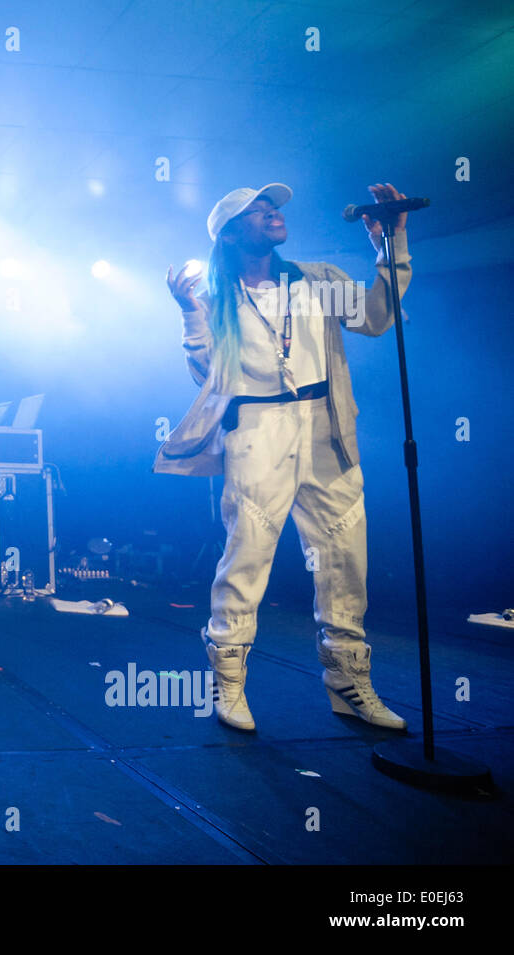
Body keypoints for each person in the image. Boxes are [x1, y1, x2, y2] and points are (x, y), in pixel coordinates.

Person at [157, 181, 411, 732]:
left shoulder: (317, 280)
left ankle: (348, 683)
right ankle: (228, 684)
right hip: (257, 427)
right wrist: (188, 312)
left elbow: (374, 319)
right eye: (257, 210)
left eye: (274, 207)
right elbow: (208, 375)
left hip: (326, 424)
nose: (272, 213)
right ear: (229, 234)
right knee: (248, 553)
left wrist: (391, 249)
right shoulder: (216, 296)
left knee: (345, 552)